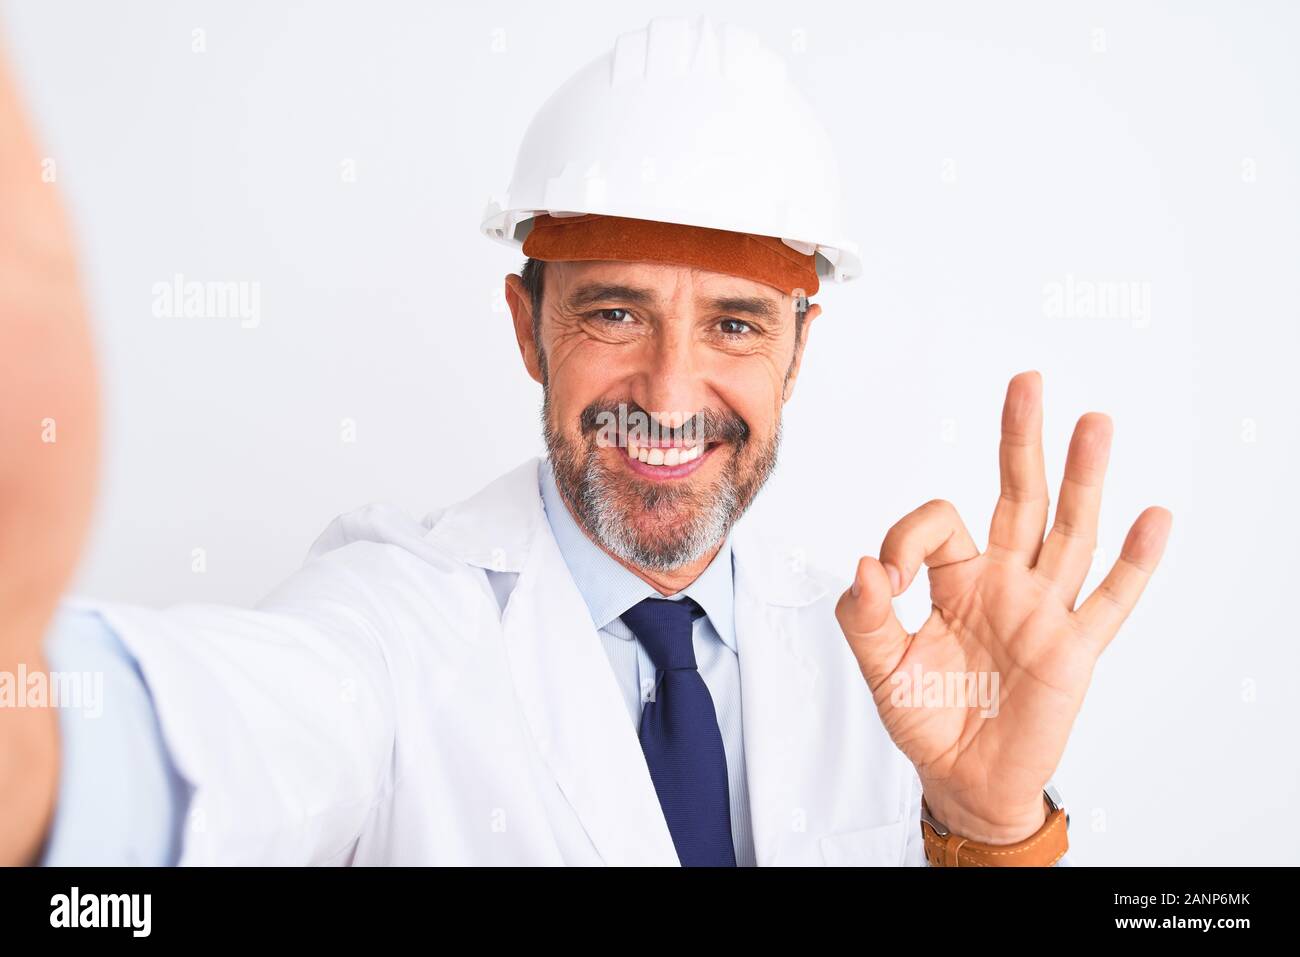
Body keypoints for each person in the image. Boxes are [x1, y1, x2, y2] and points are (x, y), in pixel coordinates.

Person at [0, 16, 1171, 866]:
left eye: (734, 322)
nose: (670, 389)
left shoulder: (884, 666)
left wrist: (988, 833)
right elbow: (244, 734)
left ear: (796, 355)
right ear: (529, 328)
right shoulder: (391, 622)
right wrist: (37, 725)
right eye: (614, 312)